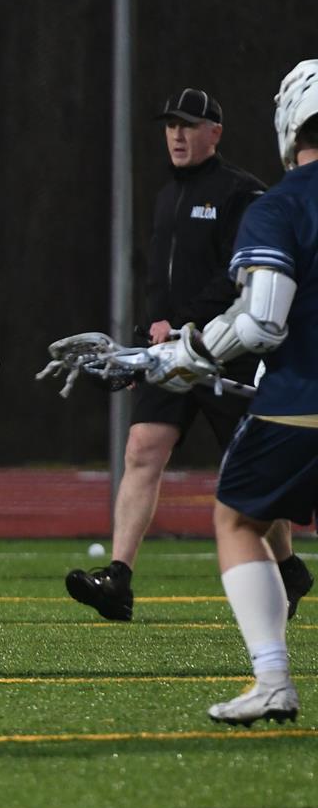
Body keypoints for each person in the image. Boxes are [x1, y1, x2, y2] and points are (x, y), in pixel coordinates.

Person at [65, 88, 311, 622]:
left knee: (248, 470)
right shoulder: (166, 196)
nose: (177, 135)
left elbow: (239, 276)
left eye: (189, 125)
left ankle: (289, 568)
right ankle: (119, 578)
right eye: (170, 125)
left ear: (215, 133)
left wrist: (183, 326)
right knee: (141, 449)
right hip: (168, 354)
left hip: (226, 352)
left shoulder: (242, 193)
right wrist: (146, 335)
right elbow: (160, 283)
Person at [142, 60, 318, 726]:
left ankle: (273, 677)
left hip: (299, 400)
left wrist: (191, 351)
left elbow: (265, 316)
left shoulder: (280, 204)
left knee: (238, 519)